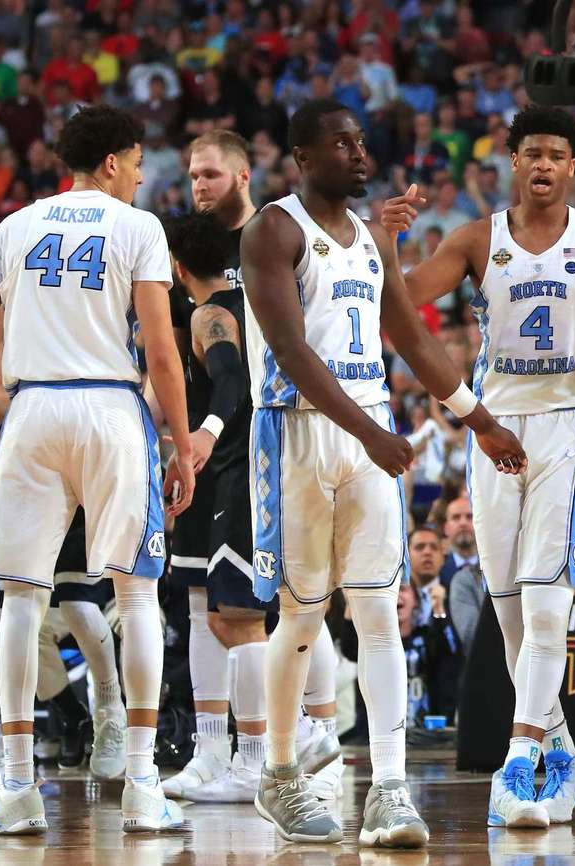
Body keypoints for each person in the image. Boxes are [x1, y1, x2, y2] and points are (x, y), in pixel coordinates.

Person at [239, 98, 525, 848]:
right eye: (342, 143)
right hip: (299, 434)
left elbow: (410, 334)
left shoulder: (370, 238)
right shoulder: (272, 229)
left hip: (367, 436)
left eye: (362, 142)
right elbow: (291, 351)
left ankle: (390, 791)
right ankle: (278, 774)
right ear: (304, 155)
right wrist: (371, 431)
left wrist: (478, 417)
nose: (359, 154)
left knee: (377, 614)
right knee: (301, 614)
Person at [380, 104, 575, 828]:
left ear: (573, 166)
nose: (543, 165)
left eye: (556, 155)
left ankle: (515, 771)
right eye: (531, 153)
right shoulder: (477, 239)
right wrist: (387, 245)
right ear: (512, 162)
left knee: (546, 608)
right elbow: (399, 306)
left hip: (568, 431)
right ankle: (564, 762)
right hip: (494, 431)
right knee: (512, 617)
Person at [0, 104, 194, 834]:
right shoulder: (137, 226)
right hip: (110, 411)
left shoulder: (15, 225)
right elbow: (160, 348)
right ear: (114, 162)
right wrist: (179, 442)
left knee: (19, 603)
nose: (143, 176)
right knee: (137, 595)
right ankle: (143, 779)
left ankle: (15, 786)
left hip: (30, 413)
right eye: (140, 162)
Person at [162, 132, 342, 806]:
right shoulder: (186, 256)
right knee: (207, 604)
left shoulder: (272, 239)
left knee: (274, 604)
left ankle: (295, 736)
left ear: (241, 175)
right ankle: (215, 751)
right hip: (204, 455)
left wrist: (208, 430)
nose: (199, 184)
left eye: (210, 173)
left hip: (254, 447)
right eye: (191, 175)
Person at [0, 316, 128, 786]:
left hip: (92, 441)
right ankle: (3, 749)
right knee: (3, 613)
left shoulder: (101, 294)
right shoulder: (18, 288)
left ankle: (110, 710)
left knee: (80, 603)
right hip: (30, 449)